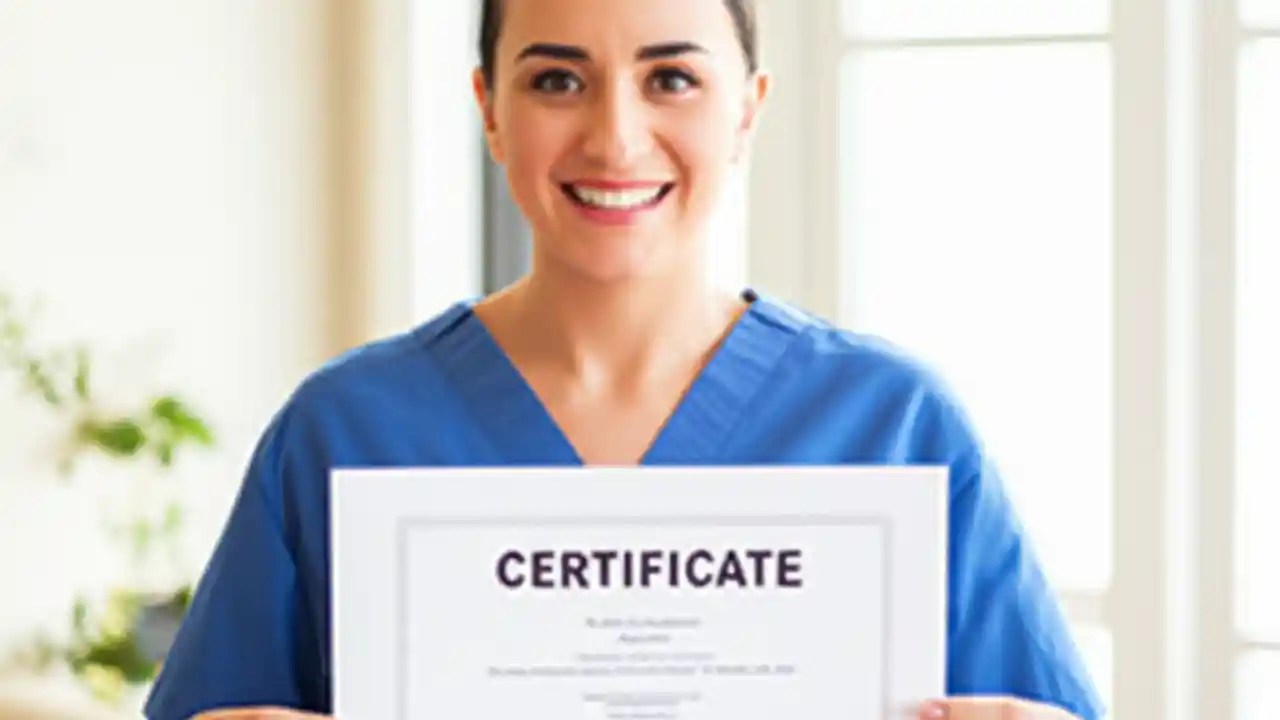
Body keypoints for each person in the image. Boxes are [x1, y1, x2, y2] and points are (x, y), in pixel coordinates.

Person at [146, 0, 1105, 718]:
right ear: (489, 109)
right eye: (556, 81)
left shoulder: (894, 425)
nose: (614, 138)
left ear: (747, 112)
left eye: (671, 79)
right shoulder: (344, 430)